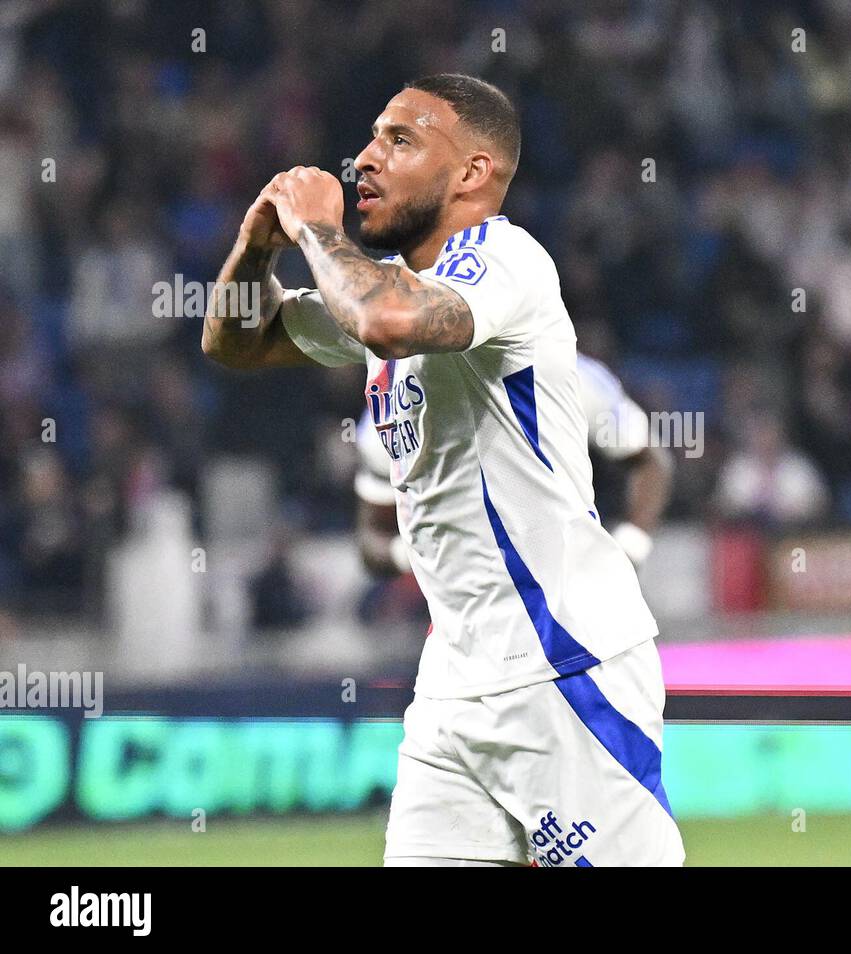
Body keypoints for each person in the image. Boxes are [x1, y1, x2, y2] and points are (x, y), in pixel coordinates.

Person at [202, 73, 683, 867]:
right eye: (370, 137)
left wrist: (320, 233)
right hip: (455, 685)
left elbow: (386, 322)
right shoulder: (389, 289)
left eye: (400, 140)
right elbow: (235, 343)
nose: (363, 161)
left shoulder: (506, 259)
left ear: (472, 174)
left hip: (563, 668)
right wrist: (256, 244)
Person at [356, 352, 673, 578]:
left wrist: (629, 548)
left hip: (573, 579)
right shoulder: (388, 415)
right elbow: (372, 540)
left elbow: (649, 460)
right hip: (467, 607)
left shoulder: (567, 377)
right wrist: (423, 554)